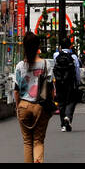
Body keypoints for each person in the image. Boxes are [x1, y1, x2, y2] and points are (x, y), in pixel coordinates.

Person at [13, 32, 54, 162]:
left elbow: (16, 90)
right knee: (38, 140)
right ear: (38, 46)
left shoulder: (20, 66)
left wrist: (17, 106)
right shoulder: (46, 64)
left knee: (27, 142)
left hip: (23, 105)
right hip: (40, 106)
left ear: (24, 46)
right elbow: (50, 88)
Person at [52, 41, 81, 132]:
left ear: (60, 46)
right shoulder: (73, 56)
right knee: (71, 100)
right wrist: (78, 81)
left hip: (59, 82)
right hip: (70, 82)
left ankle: (63, 125)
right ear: (70, 46)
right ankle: (68, 117)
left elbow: (54, 68)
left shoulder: (56, 55)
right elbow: (77, 70)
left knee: (61, 102)